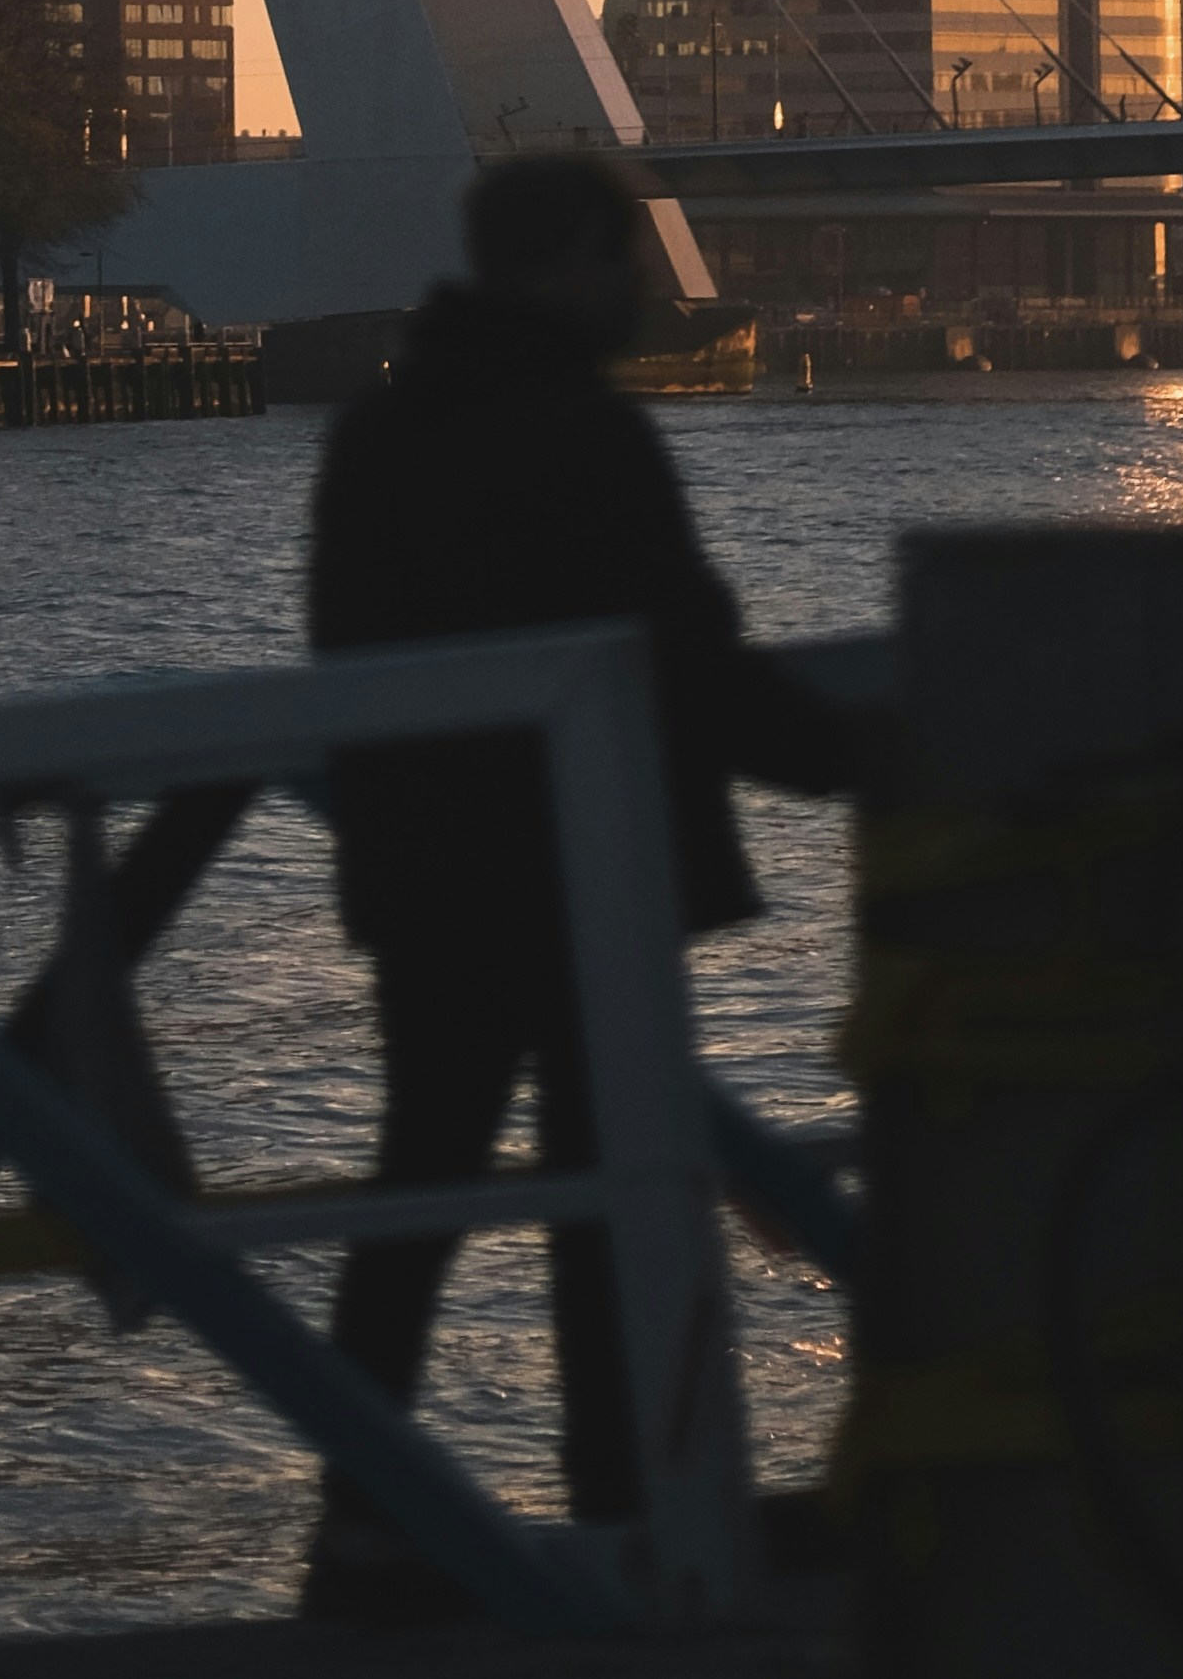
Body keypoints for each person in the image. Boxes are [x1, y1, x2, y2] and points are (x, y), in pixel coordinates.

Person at [302, 148, 863, 1619]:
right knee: (612, 1200)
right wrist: (869, 761)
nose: (644, 289)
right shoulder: (581, 433)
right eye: (625, 259)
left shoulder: (373, 433)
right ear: (566, 263)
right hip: (580, 873)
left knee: (414, 1190)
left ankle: (359, 1517)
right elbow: (690, 658)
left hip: (427, 879)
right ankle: (627, 1496)